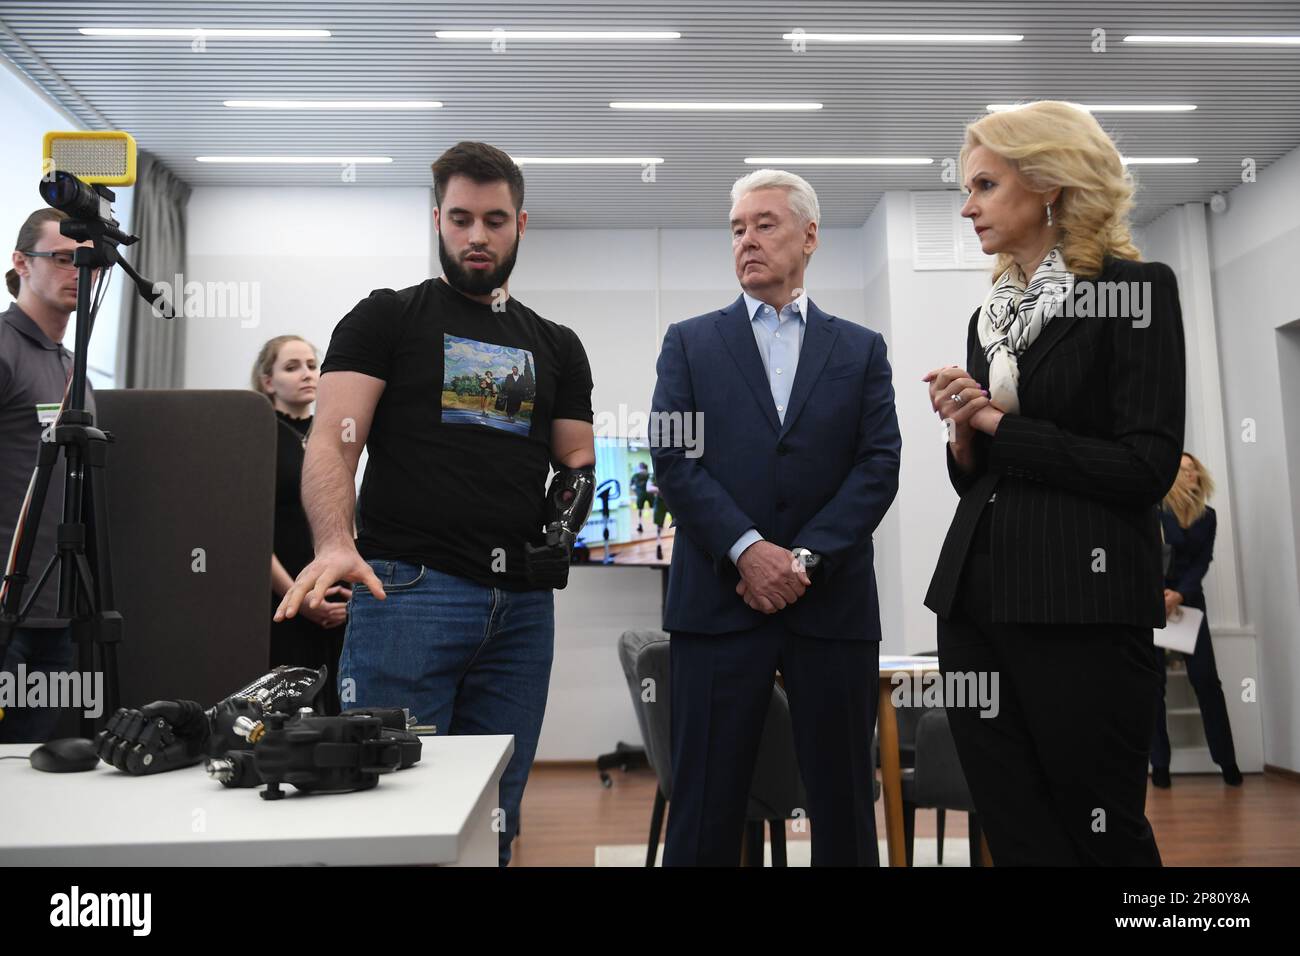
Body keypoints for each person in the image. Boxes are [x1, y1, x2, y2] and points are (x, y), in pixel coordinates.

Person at [274, 142, 595, 867]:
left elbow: (575, 460)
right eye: (459, 219)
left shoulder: (556, 345)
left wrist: (562, 526)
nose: (476, 236)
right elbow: (331, 441)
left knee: (495, 818)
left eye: (493, 219)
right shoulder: (387, 319)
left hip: (521, 610)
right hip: (410, 594)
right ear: (437, 220)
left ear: (520, 224)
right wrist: (333, 540)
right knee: (389, 812)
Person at [923, 101, 1186, 866]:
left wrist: (1002, 427)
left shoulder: (1136, 291)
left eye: (983, 184)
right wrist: (964, 433)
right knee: (1015, 830)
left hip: (1084, 605)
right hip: (974, 603)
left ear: (1048, 184)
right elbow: (982, 477)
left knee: (1101, 831)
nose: (966, 206)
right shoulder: (988, 320)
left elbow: (1145, 467)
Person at [651, 169, 901, 866]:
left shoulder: (860, 350)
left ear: (809, 236)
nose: (748, 241)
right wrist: (748, 549)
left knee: (845, 803)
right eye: (737, 229)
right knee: (704, 807)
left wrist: (803, 560)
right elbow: (675, 461)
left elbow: (878, 466)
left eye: (765, 224)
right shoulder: (690, 343)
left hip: (831, 605)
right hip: (718, 603)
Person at [0, 208, 97, 743]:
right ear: (20, 263)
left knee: (30, 766)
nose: (79, 274)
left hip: (54, 612)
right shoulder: (4, 349)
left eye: (88, 263)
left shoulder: (70, 367)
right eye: (63, 258)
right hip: (5, 609)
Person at [253, 334, 349, 715]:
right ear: (268, 381)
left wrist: (351, 591)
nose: (306, 374)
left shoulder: (331, 435)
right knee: (289, 707)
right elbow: (251, 534)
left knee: (340, 705)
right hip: (284, 599)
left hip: (336, 596)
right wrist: (299, 598)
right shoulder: (258, 435)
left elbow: (345, 519)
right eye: (292, 367)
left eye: (311, 365)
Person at [1150, 452, 1242, 787]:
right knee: (1152, 686)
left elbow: (1203, 561)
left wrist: (1181, 595)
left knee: (1206, 681)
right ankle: (1160, 766)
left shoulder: (1209, 516)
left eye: (1194, 470)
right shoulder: (1156, 511)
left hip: (1189, 604)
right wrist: (1162, 594)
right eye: (1184, 470)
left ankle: (1227, 762)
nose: (1192, 475)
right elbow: (1147, 555)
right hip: (1154, 604)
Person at [630, 461, 652, 532]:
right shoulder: (649, 475)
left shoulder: (636, 475)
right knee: (652, 508)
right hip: (648, 495)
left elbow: (631, 486)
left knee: (641, 509)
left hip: (643, 495)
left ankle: (641, 524)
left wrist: (636, 490)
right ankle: (654, 525)